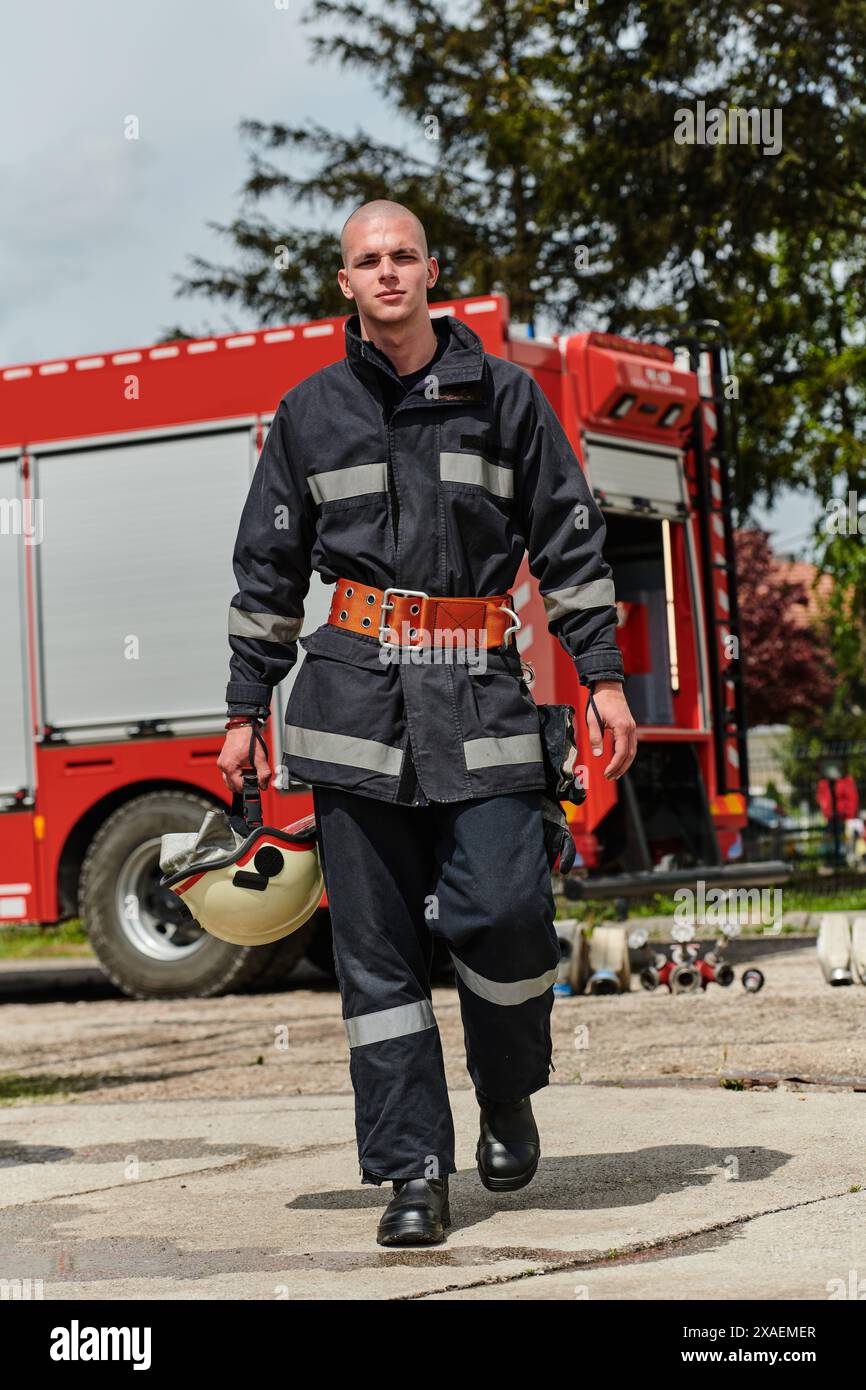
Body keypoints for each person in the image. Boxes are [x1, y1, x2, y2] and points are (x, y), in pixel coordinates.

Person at [218, 199, 637, 1246]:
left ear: (430, 271)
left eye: (404, 255)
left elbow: (569, 538)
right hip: (352, 709)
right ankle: (411, 1171)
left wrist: (600, 676)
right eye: (369, 260)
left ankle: (507, 1089)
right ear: (346, 282)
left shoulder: (505, 397)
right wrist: (245, 705)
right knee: (377, 957)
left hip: (482, 695)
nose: (388, 272)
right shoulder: (309, 413)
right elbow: (268, 568)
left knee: (505, 912)